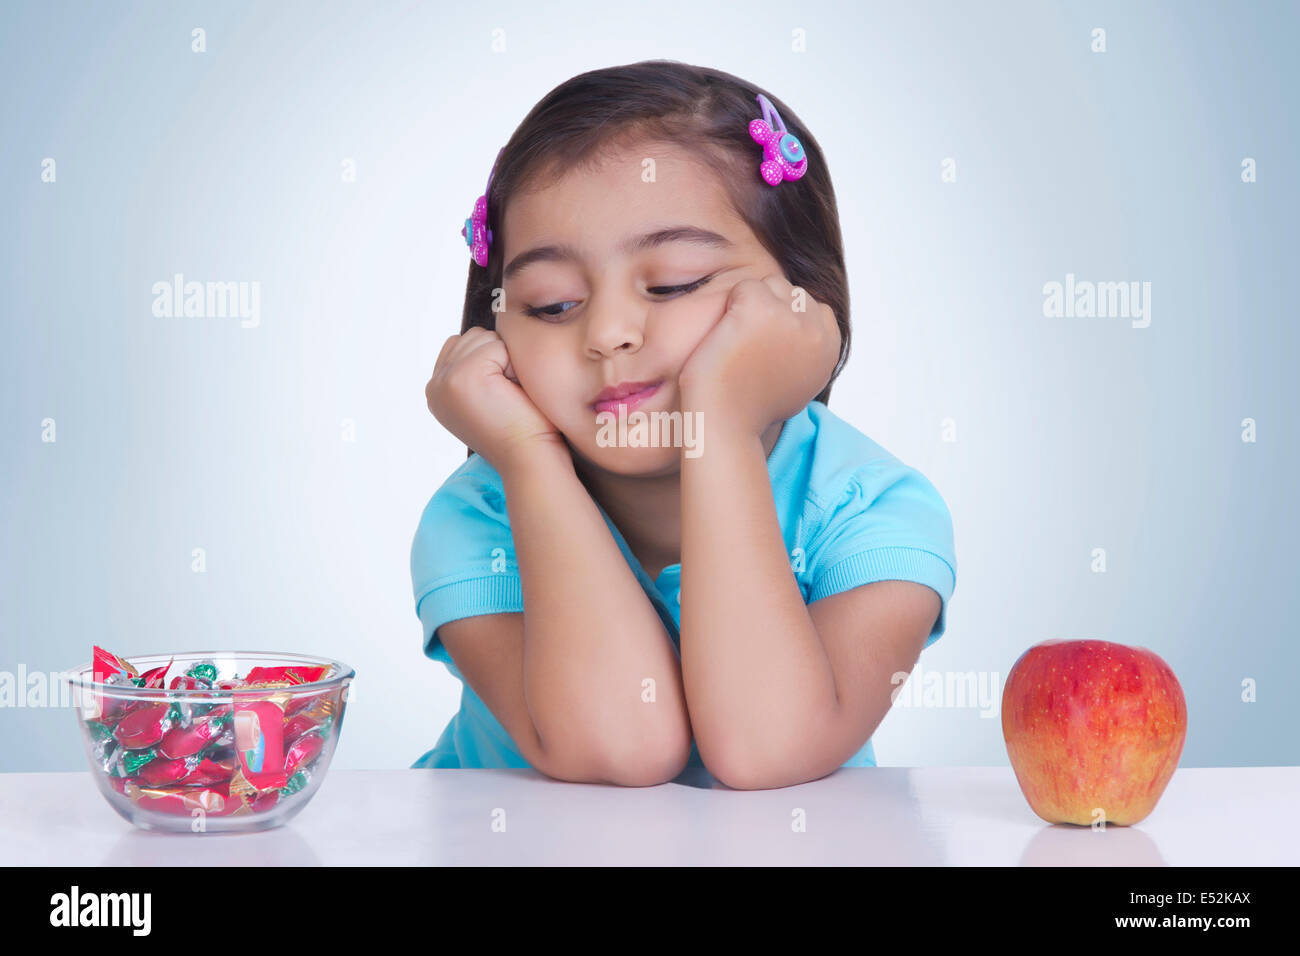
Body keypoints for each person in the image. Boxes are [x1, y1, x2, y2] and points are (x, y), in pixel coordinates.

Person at [410, 60, 957, 789]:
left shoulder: (875, 512)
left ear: (801, 300)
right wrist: (528, 457)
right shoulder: (481, 517)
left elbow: (768, 749)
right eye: (550, 304)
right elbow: (620, 745)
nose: (607, 333)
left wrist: (720, 423)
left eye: (673, 284)